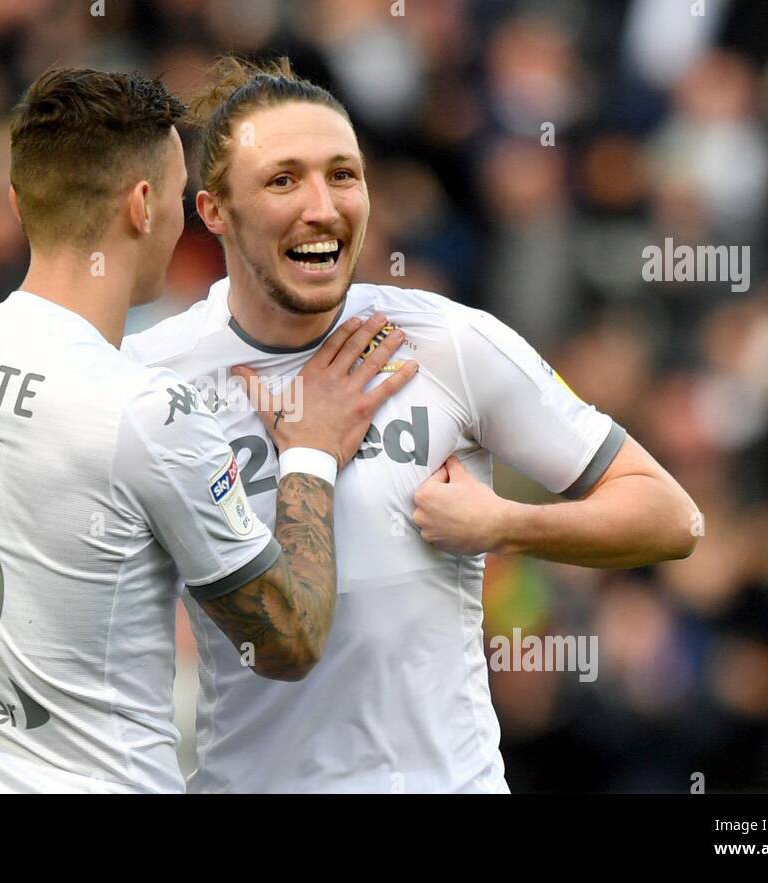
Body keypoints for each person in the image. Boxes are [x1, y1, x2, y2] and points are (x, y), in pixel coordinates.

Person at [123, 57, 699, 793]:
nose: (322, 206)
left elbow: (671, 517)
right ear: (213, 212)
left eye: (342, 174)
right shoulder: (151, 376)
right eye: (282, 180)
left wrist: (502, 523)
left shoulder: (445, 343)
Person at [0, 67, 417, 793]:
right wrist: (310, 454)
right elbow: (288, 638)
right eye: (177, 197)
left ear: (18, 203)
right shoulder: (148, 413)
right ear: (143, 207)